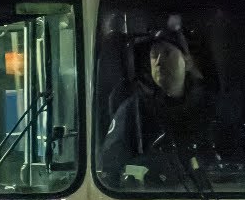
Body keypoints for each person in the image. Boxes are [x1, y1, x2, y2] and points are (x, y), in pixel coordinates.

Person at [99, 15, 236, 188]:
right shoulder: (135, 110)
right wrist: (148, 166)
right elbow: (111, 170)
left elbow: (242, 164)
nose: (158, 62)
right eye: (153, 55)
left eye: (167, 53)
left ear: (187, 61)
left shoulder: (215, 107)